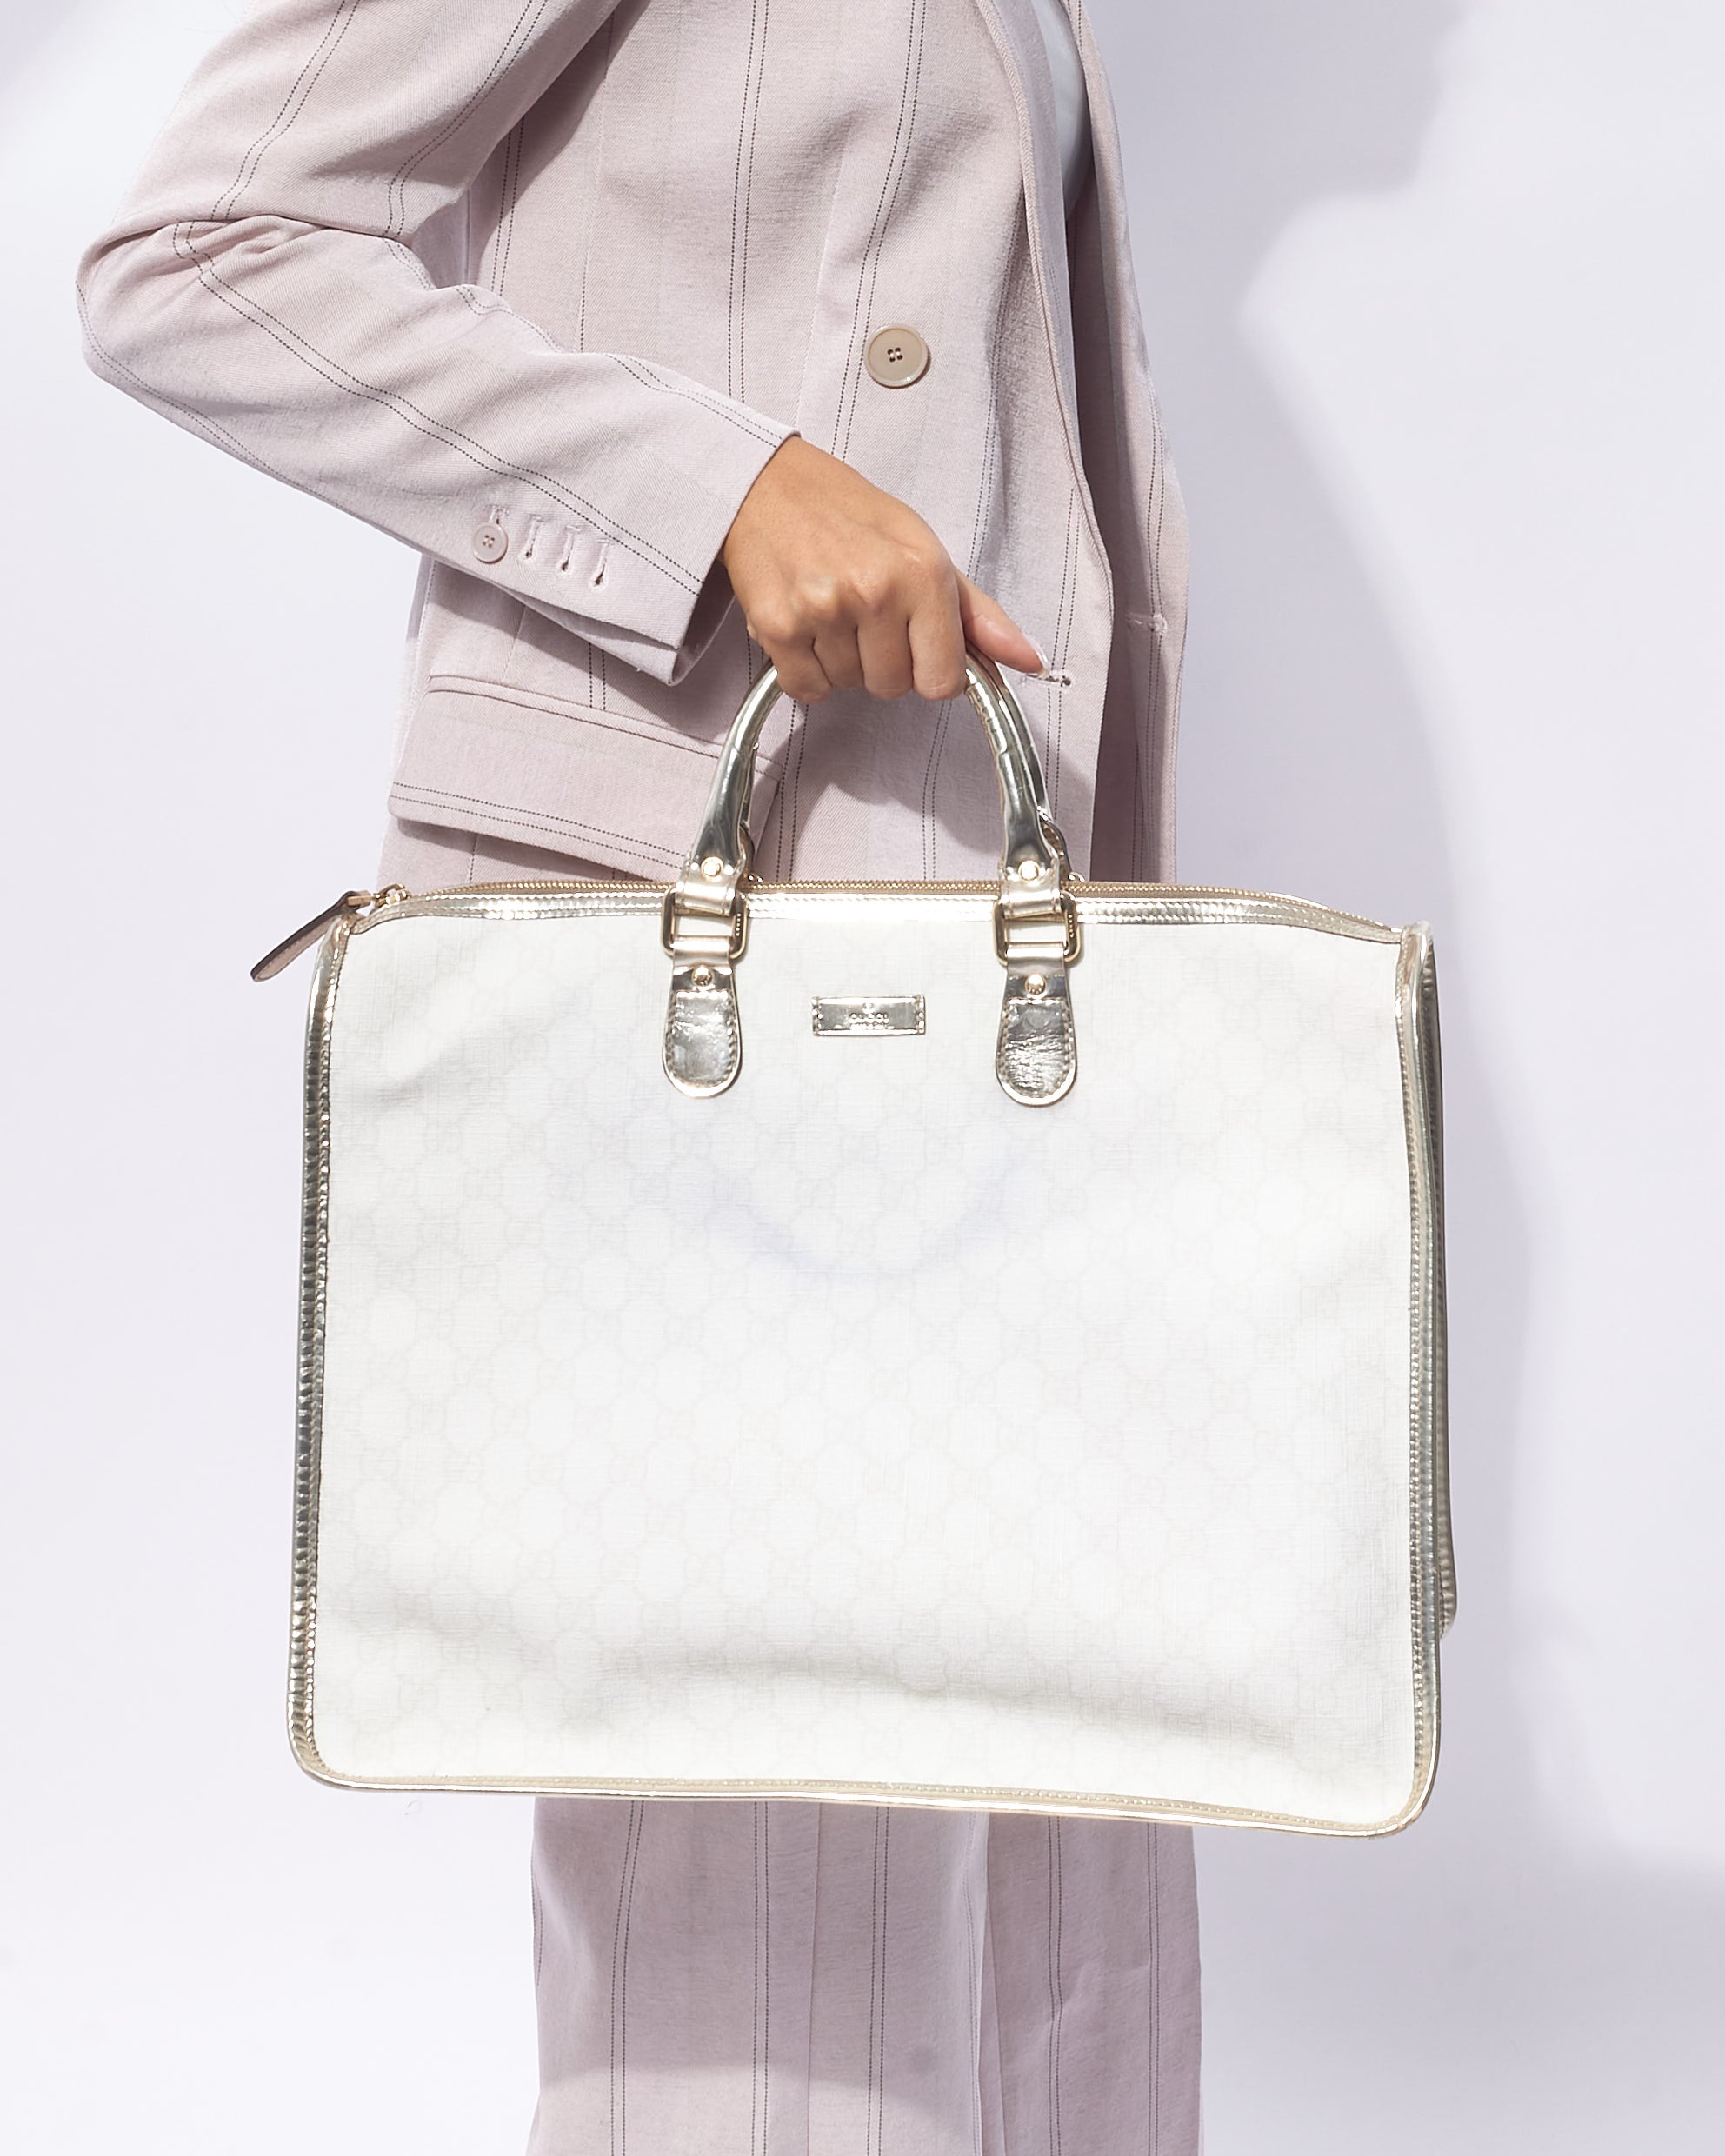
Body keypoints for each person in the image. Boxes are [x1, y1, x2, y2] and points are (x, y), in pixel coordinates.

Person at [78, 3, 1200, 2149]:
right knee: (769, 1911)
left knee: (1025, 1806)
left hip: (973, 978)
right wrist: (724, 491)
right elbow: (197, 256)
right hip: (739, 959)